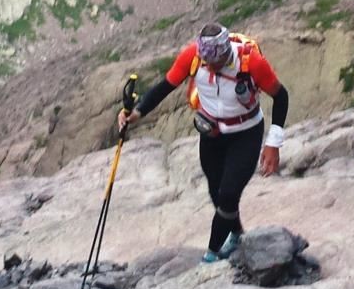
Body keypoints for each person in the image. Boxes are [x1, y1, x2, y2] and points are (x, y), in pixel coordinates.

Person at [118, 22, 290, 262]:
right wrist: (136, 113)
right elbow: (165, 87)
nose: (207, 66)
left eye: (212, 63)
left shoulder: (251, 63)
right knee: (216, 191)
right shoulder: (193, 56)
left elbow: (280, 96)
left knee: (229, 193)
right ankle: (236, 233)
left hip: (246, 132)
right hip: (211, 134)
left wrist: (273, 143)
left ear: (224, 55)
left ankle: (211, 254)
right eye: (204, 61)